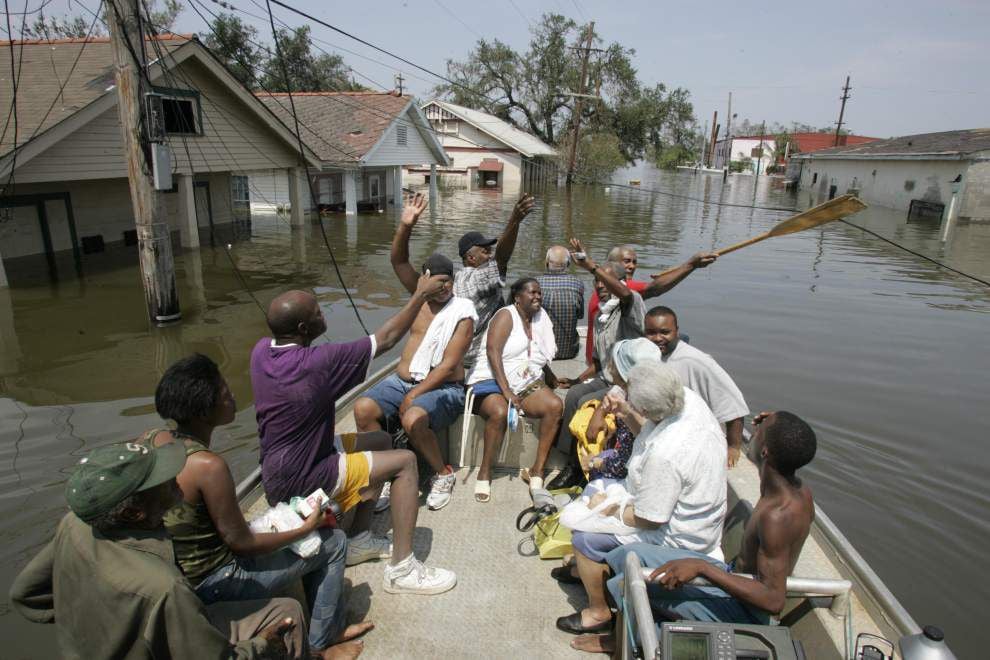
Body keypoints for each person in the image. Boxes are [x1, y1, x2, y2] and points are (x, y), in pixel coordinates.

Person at [9, 441, 320, 659]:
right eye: (163, 481)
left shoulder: (72, 525)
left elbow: (26, 595)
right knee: (287, 613)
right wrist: (262, 645)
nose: (176, 482)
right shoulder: (164, 588)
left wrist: (102, 624)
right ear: (134, 513)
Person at [250, 268, 457, 595]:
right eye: (318, 312)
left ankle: (359, 539)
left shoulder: (261, 352)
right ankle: (402, 569)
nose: (324, 313)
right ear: (304, 329)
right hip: (307, 474)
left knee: (381, 441)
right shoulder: (318, 362)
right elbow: (386, 339)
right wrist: (420, 294)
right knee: (404, 462)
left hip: (276, 469)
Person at [151, 354, 372, 656]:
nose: (231, 395)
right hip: (216, 581)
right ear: (205, 411)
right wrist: (306, 528)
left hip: (181, 572)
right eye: (224, 391)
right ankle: (324, 642)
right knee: (333, 542)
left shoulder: (154, 439)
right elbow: (242, 544)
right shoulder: (207, 466)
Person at [572, 411, 817, 655]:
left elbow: (773, 599)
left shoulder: (778, 516)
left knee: (628, 584)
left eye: (759, 433)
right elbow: (789, 440)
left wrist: (702, 567)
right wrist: (774, 422)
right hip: (735, 577)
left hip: (745, 611)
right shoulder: (794, 487)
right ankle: (626, 622)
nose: (752, 433)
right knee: (628, 554)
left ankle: (623, 641)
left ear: (765, 452)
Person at [554, 361, 726, 637]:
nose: (625, 397)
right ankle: (584, 571)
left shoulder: (667, 454)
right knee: (597, 487)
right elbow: (646, 435)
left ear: (646, 410)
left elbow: (649, 519)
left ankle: (598, 612)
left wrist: (607, 509)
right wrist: (624, 412)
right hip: (674, 505)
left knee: (584, 536)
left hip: (677, 536)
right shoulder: (686, 400)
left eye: (630, 399)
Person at [354, 195, 476, 511]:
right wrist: (406, 225)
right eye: (436, 281)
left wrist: (415, 394)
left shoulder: (463, 310)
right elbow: (397, 260)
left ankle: (442, 473)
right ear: (423, 280)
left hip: (444, 388)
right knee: (363, 408)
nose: (443, 287)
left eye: (448, 281)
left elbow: (450, 365)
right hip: (401, 381)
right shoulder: (419, 298)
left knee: (413, 415)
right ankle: (381, 474)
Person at [549, 239, 646, 490]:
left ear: (619, 283)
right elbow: (597, 361)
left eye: (606, 280)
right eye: (597, 282)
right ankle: (569, 456)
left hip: (626, 382)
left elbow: (625, 293)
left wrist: (592, 266)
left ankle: (581, 468)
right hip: (606, 376)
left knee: (585, 404)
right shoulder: (600, 314)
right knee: (573, 394)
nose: (600, 285)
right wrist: (577, 379)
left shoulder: (629, 304)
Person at [466, 278, 563, 500]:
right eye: (532, 293)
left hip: (524, 381)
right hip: (490, 379)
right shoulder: (505, 315)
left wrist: (549, 375)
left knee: (555, 405)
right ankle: (485, 472)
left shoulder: (539, 318)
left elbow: (535, 351)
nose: (538, 296)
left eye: (539, 293)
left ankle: (537, 471)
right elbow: (493, 352)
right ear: (518, 297)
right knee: (500, 411)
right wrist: (507, 390)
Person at [644, 305, 749, 467]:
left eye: (665, 332)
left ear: (676, 331)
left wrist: (733, 447)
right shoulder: (648, 357)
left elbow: (733, 404)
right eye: (651, 332)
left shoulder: (697, 362)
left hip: (694, 443)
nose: (657, 338)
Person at [583, 245, 717, 364]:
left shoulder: (604, 287)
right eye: (626, 261)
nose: (632, 266)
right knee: (674, 338)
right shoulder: (612, 287)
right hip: (605, 362)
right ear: (611, 265)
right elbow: (654, 289)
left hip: (598, 357)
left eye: (634, 262)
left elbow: (645, 290)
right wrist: (691, 264)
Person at [454, 193, 535, 367]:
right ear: (471, 258)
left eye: (490, 251)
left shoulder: (459, 275)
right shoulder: (476, 280)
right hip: (478, 357)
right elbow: (501, 259)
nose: (490, 256)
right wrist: (515, 221)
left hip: (464, 353)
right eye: (485, 252)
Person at [535, 245, 585, 360]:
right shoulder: (577, 283)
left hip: (542, 352)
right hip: (569, 352)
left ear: (547, 263)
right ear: (568, 264)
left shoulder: (534, 283)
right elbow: (580, 315)